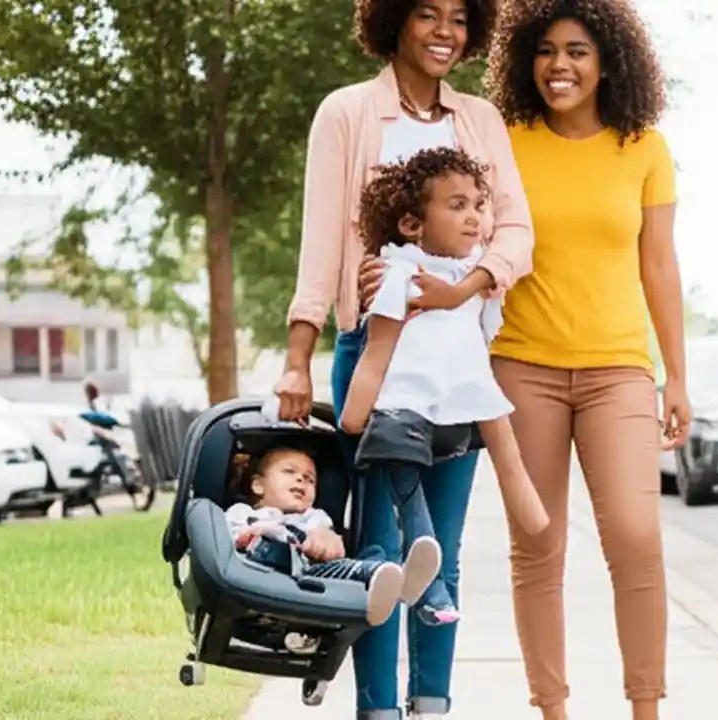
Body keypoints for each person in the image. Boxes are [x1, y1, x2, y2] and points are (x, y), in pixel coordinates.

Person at [274, 0, 533, 716]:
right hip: (375, 353)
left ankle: (432, 704)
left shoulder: (480, 120)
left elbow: (516, 231)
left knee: (441, 551)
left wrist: (464, 291)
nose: (445, 30)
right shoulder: (347, 112)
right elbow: (321, 239)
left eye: (458, 16)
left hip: (460, 363)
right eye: (427, 13)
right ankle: (378, 708)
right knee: (381, 548)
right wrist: (299, 352)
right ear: (394, 19)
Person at [483, 1, 691, 718]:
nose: (559, 66)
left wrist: (677, 377)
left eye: (576, 50)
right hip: (521, 367)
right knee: (537, 548)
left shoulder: (645, 148)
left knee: (636, 538)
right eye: (544, 51)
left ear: (609, 61)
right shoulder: (504, 143)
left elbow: (659, 267)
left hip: (618, 372)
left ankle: (645, 707)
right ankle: (553, 710)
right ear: (524, 60)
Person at [339, 147, 549, 627]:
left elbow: (484, 337)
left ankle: (531, 520)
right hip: (406, 407)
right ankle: (430, 591)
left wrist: (469, 288)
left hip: (466, 400)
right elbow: (377, 352)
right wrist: (352, 421)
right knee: (406, 485)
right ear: (413, 224)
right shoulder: (400, 276)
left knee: (508, 455)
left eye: (478, 204)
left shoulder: (474, 279)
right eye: (457, 206)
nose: (474, 217)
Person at [225, 445, 442, 630]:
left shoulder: (314, 518)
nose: (301, 479)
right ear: (258, 485)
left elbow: (334, 548)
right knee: (269, 545)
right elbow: (233, 538)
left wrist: (324, 543)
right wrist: (269, 533)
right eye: (289, 471)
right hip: (261, 574)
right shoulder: (243, 512)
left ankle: (399, 583)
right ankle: (392, 584)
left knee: (357, 566)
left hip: (312, 574)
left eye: (310, 479)